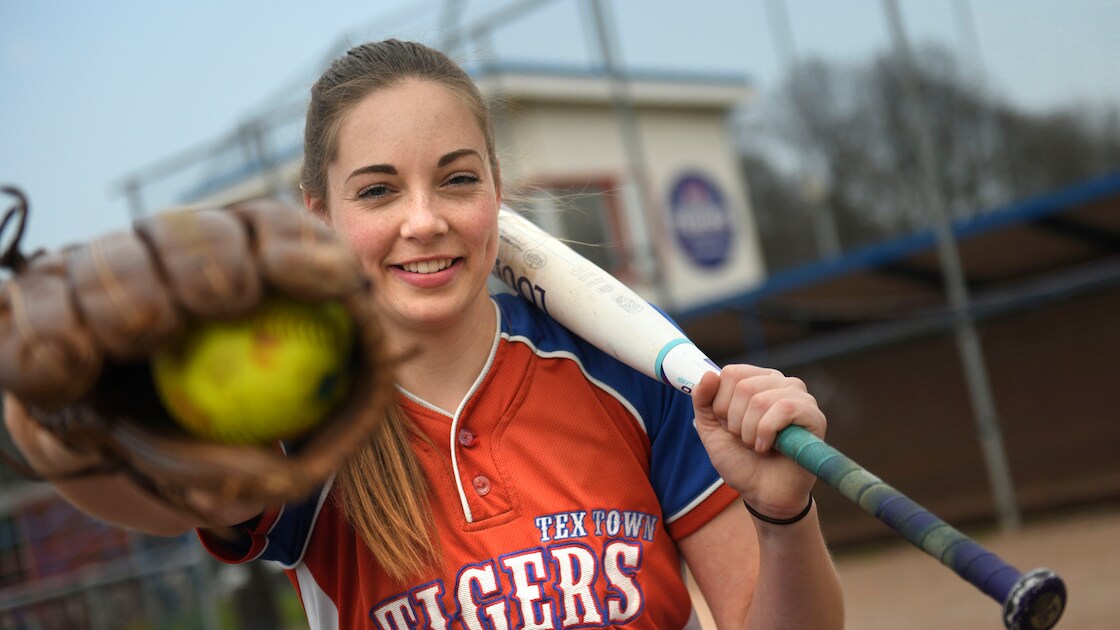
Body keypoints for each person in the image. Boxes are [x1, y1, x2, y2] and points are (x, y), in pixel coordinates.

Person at [3, 39, 844, 629]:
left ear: (496, 192)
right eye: (376, 192)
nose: (423, 220)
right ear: (319, 216)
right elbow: (157, 498)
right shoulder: (302, 403)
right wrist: (44, 420)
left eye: (456, 180)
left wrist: (785, 516)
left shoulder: (626, 374)